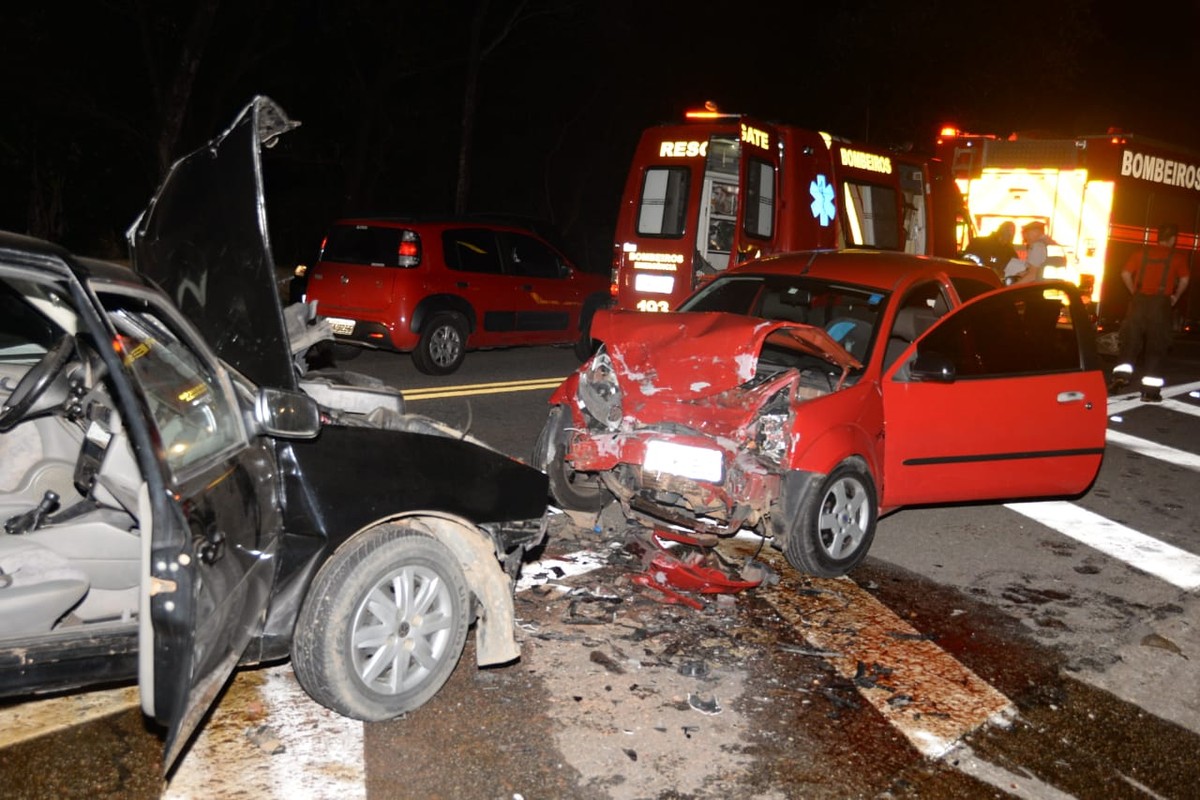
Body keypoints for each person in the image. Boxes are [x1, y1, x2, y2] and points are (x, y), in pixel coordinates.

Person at [1110, 223, 1191, 401]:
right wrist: (1175, 297)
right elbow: (1185, 279)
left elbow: (1124, 273)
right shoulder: (1176, 257)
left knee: (1129, 343)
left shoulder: (1140, 254)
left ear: (1158, 237)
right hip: (1160, 305)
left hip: (1138, 304)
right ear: (1173, 239)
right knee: (1156, 347)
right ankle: (1150, 392)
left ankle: (1120, 378)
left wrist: (1134, 292)